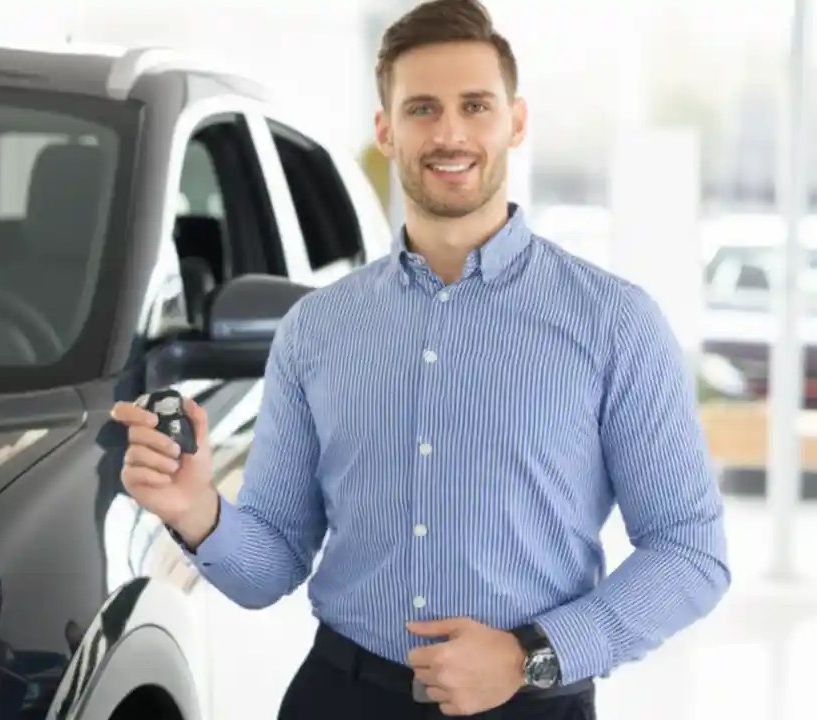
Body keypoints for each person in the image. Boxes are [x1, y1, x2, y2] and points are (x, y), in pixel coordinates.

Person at [109, 0, 731, 717]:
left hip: (532, 701)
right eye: (423, 109)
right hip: (339, 698)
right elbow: (270, 567)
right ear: (387, 129)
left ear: (515, 121)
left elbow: (690, 550)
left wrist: (529, 654)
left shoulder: (615, 323)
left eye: (475, 106)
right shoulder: (316, 330)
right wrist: (198, 511)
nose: (450, 133)